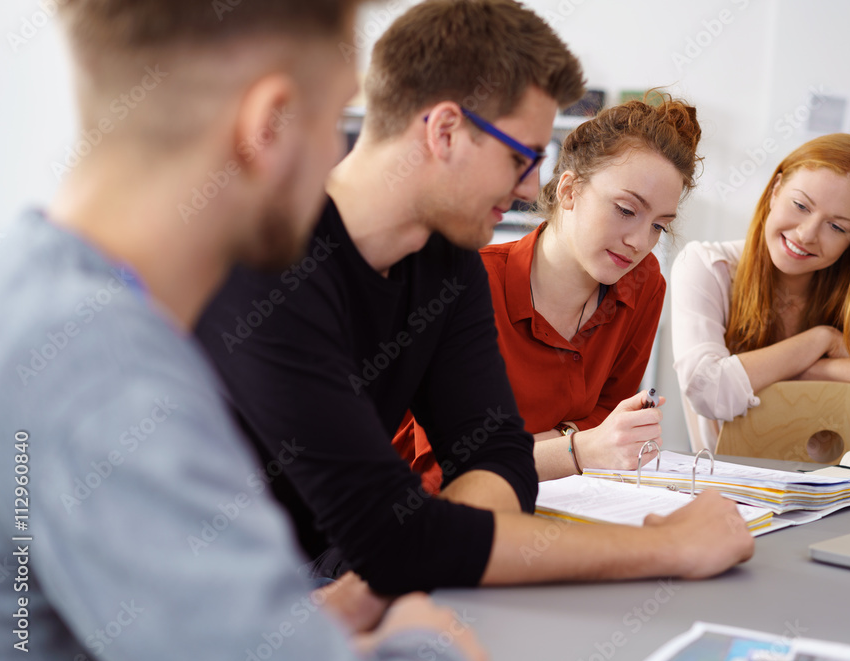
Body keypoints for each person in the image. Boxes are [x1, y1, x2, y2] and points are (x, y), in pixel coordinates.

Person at [196, 0, 754, 595]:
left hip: (339, 584)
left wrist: (417, 552)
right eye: (519, 157)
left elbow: (498, 460)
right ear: (443, 132)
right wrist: (670, 545)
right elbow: (395, 528)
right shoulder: (270, 260)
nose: (528, 188)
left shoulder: (446, 264)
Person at [0, 1, 486, 661]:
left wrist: (291, 621)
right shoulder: (103, 371)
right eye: (336, 120)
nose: (337, 159)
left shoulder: (38, 293)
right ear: (269, 126)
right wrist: (430, 645)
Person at [395, 94, 702, 491]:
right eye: (626, 210)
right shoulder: (466, 285)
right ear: (569, 190)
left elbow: (612, 422)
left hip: (559, 506)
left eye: (659, 225)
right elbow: (446, 467)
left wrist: (536, 448)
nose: (640, 241)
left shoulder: (643, 284)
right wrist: (577, 448)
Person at [671, 133, 850, 452]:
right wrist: (821, 340)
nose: (806, 235)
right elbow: (708, 389)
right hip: (731, 491)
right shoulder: (707, 267)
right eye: (801, 205)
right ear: (776, 191)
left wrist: (811, 369)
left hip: (839, 494)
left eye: (837, 227)